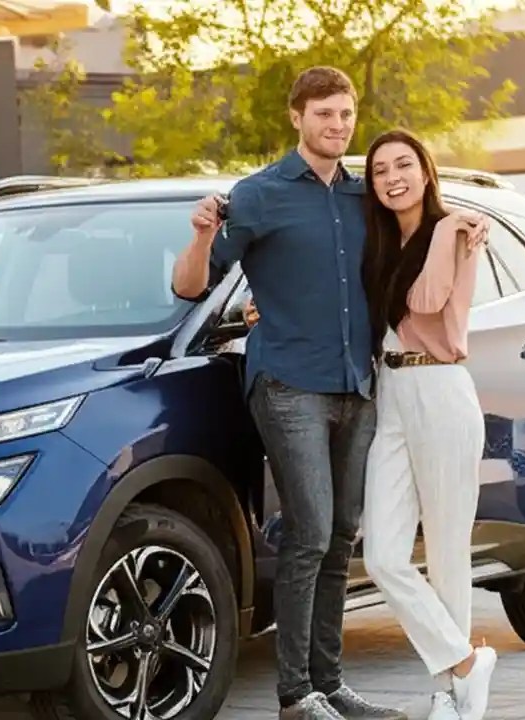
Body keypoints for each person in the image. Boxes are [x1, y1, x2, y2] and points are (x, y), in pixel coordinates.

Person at [171, 66, 405, 720]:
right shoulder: (259, 195)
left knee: (342, 534)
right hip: (289, 385)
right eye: (324, 114)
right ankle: (296, 694)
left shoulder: (364, 196)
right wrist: (201, 235)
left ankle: (330, 684)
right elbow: (190, 287)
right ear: (297, 117)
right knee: (310, 532)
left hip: (357, 383)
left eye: (346, 114)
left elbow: (412, 245)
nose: (338, 125)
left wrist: (462, 229)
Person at [243, 129, 497, 720]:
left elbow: (426, 301)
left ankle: (448, 695)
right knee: (382, 556)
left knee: (447, 552)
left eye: (404, 165)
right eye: (380, 171)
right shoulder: (379, 241)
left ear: (426, 171)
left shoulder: (454, 233)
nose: (391, 179)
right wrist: (272, 308)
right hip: (388, 393)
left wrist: (447, 227)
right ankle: (465, 662)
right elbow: (338, 298)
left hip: (440, 391)